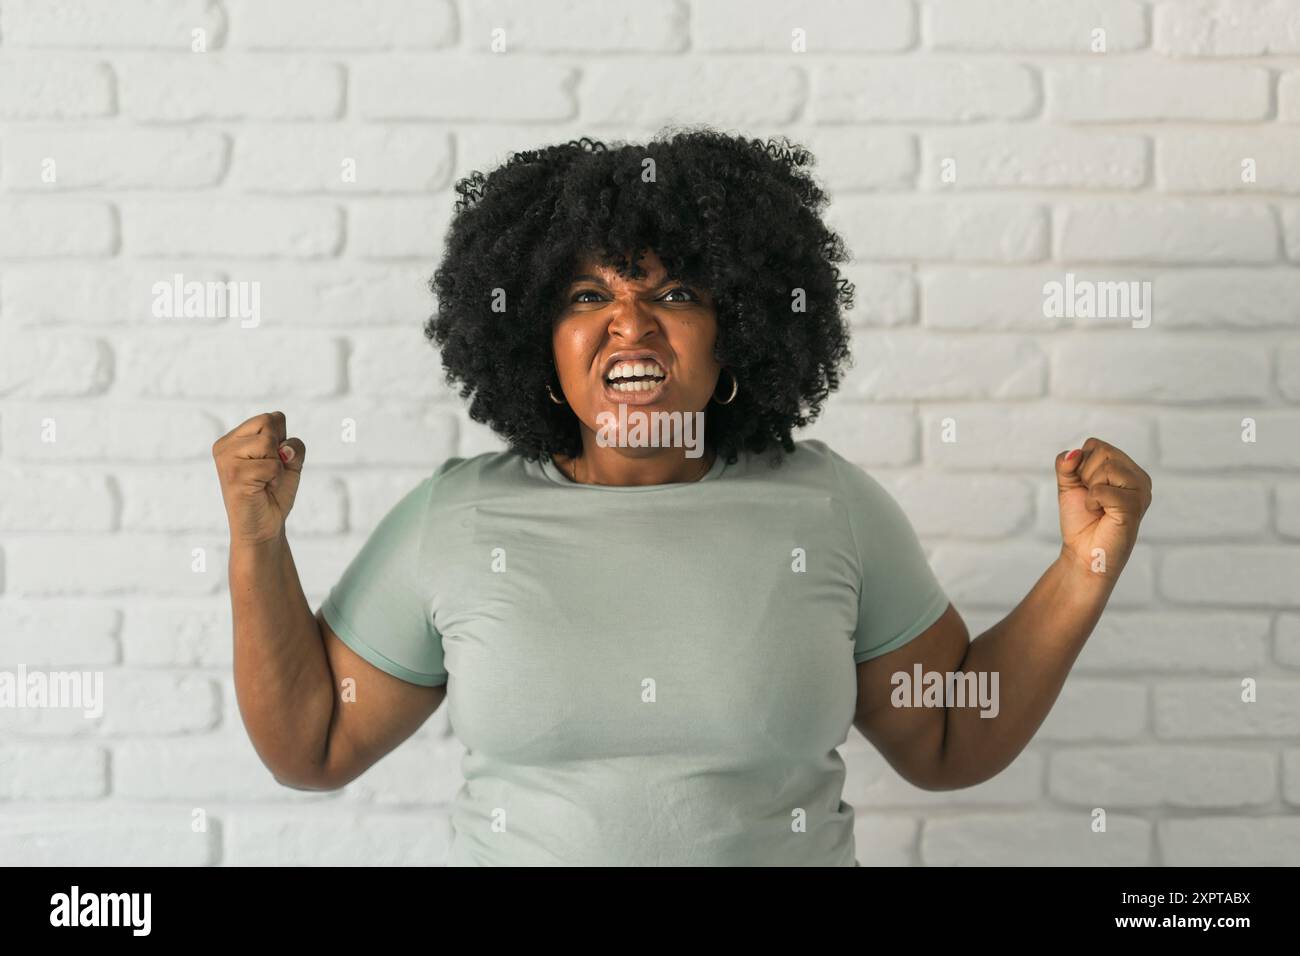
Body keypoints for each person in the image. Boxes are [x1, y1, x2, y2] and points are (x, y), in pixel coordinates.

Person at [212, 129, 1153, 866]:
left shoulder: (829, 508)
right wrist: (258, 542)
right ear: (538, 340)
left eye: (676, 292)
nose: (630, 323)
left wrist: (1084, 566)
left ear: (735, 329)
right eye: (586, 295)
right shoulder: (456, 521)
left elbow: (948, 735)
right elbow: (314, 743)